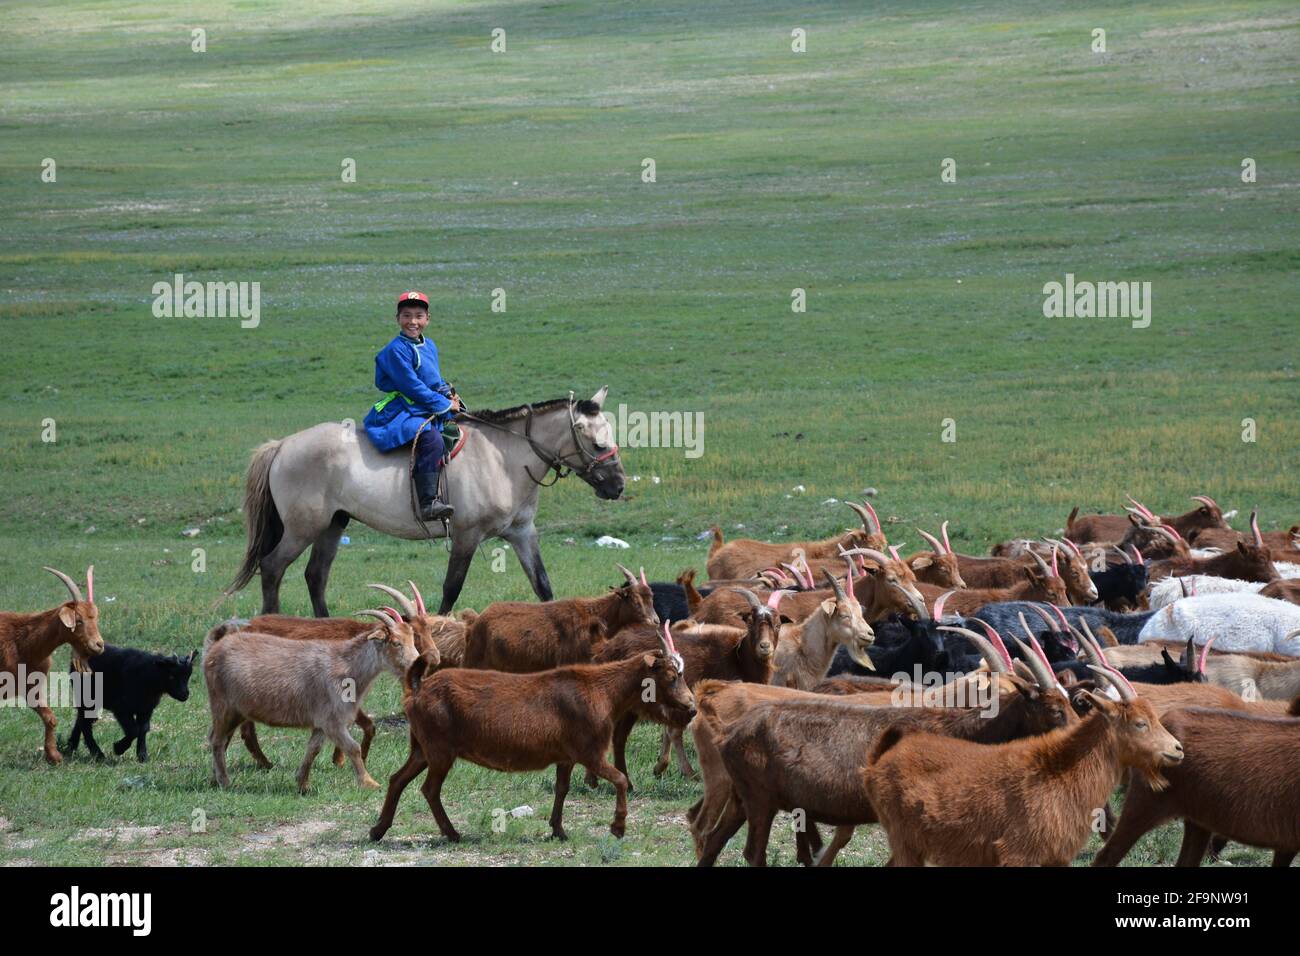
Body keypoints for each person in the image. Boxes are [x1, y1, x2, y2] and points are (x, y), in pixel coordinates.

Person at [363, 290, 462, 520]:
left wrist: (451, 396)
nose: (413, 322)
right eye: (406, 315)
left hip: (425, 404)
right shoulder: (395, 350)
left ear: (428, 319)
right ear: (397, 319)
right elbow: (411, 386)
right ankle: (428, 503)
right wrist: (444, 405)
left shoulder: (430, 346)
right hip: (405, 408)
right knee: (432, 439)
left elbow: (434, 380)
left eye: (418, 315)